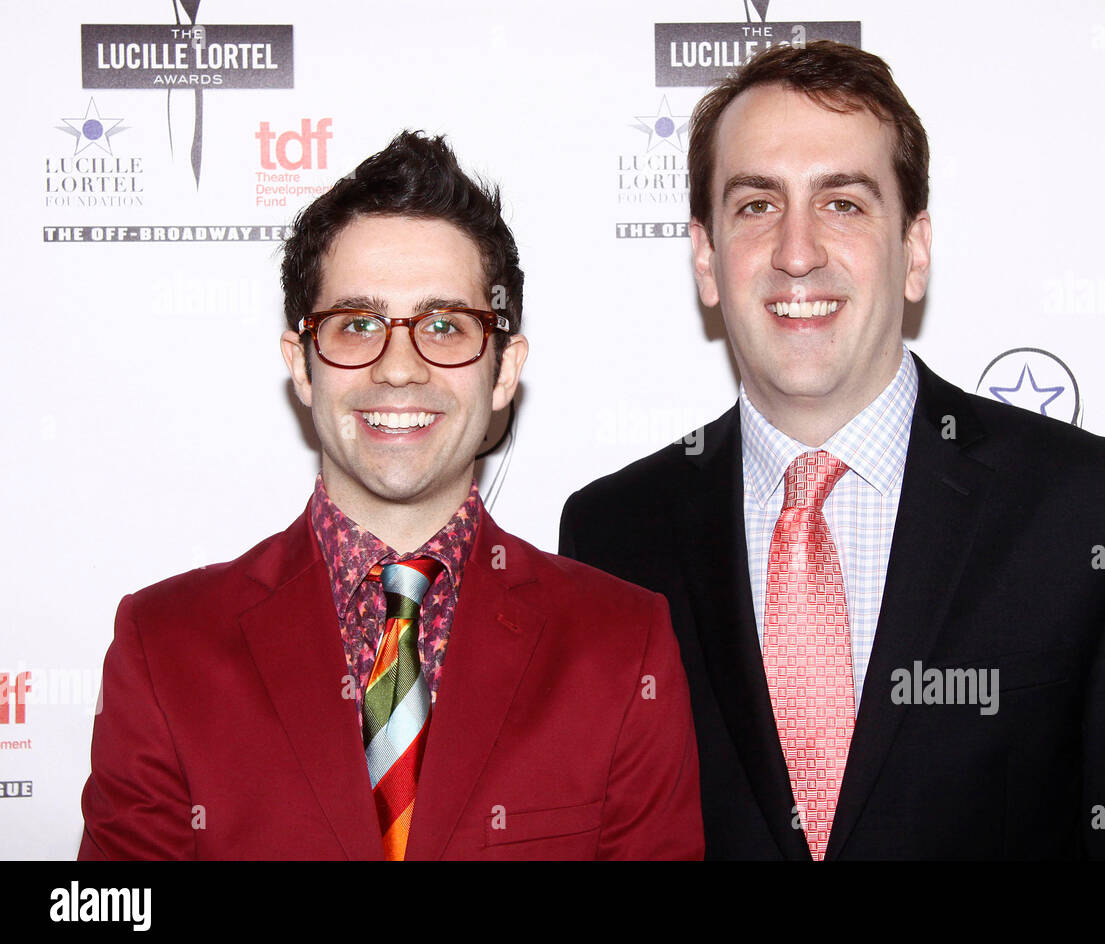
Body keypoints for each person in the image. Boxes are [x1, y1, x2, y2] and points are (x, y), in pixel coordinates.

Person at [559, 42, 1105, 860]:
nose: (796, 251)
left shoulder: (1095, 512)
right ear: (706, 258)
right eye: (756, 204)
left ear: (914, 251)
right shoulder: (613, 536)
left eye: (843, 203)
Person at [79, 131, 703, 861]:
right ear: (303, 366)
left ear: (504, 370)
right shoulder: (164, 646)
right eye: (357, 324)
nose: (400, 367)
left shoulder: (622, 646)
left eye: (444, 325)